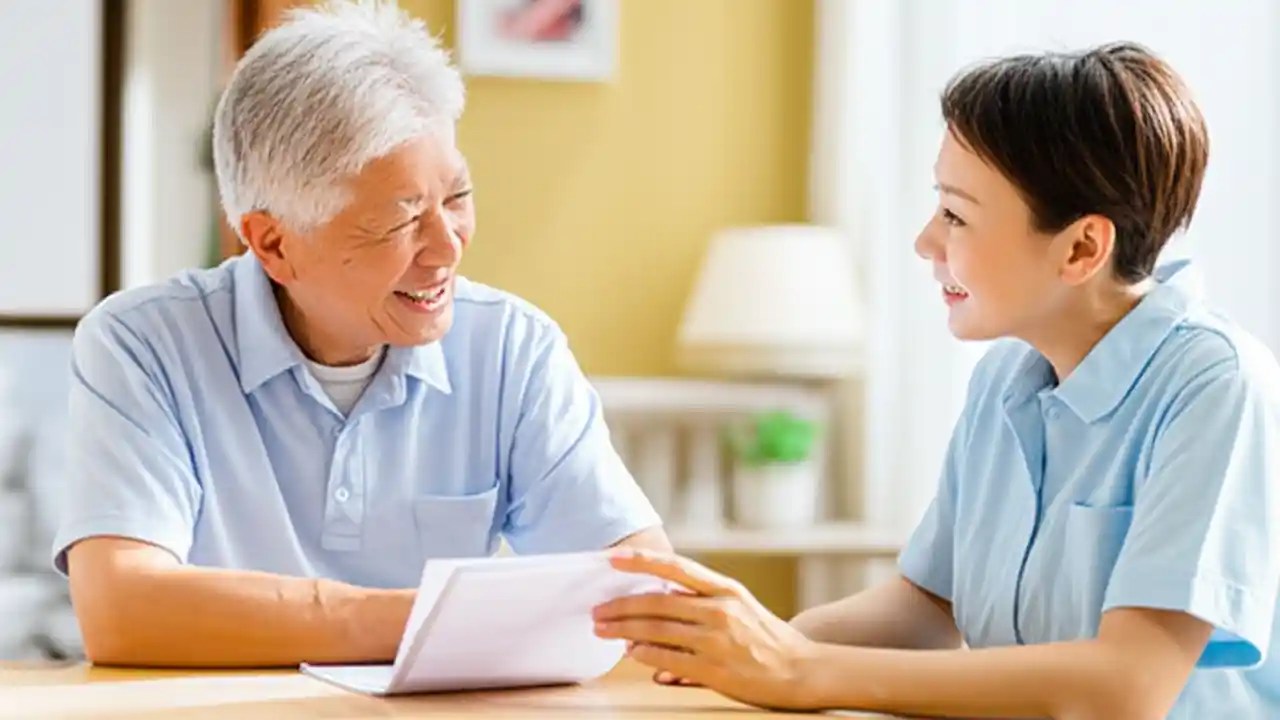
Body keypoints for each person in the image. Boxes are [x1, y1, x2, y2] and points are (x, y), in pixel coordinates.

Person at [593, 42, 1280, 719]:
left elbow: (1124, 689)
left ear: (1081, 248)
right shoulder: (1006, 379)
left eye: (955, 214)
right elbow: (927, 608)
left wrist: (803, 671)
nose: (926, 241)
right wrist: (757, 642)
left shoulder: (1216, 387)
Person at [55, 0, 669, 668]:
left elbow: (641, 590)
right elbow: (123, 612)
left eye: (456, 198)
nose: (446, 248)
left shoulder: (513, 349)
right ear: (272, 243)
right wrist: (439, 619)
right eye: (400, 220)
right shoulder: (143, 345)